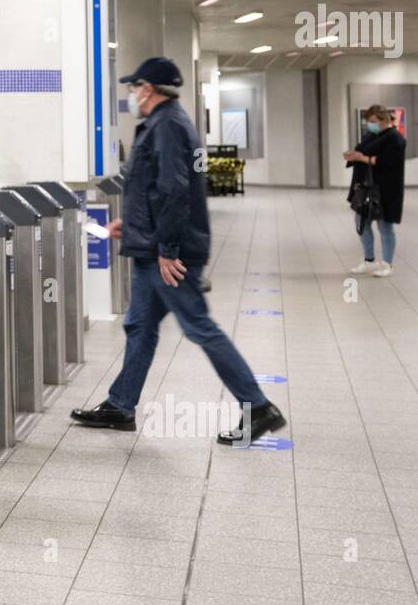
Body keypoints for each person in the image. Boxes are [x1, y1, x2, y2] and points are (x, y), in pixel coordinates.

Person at [71, 57, 286, 446]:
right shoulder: (162, 123)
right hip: (151, 245)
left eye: (134, 87)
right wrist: (133, 227)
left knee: (198, 326)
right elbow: (155, 190)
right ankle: (120, 405)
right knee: (139, 326)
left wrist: (168, 249)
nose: (132, 94)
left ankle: (258, 406)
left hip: (167, 253)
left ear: (148, 89)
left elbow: (174, 190)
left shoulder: (167, 126)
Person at [344, 103, 406, 277]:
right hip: (365, 187)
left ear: (383, 119)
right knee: (361, 223)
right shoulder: (371, 135)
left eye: (372, 121)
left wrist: (362, 158)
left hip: (386, 188)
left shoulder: (395, 138)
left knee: (385, 225)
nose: (370, 124)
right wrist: (353, 156)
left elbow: (387, 162)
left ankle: (387, 263)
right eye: (368, 121)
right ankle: (369, 260)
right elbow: (361, 151)